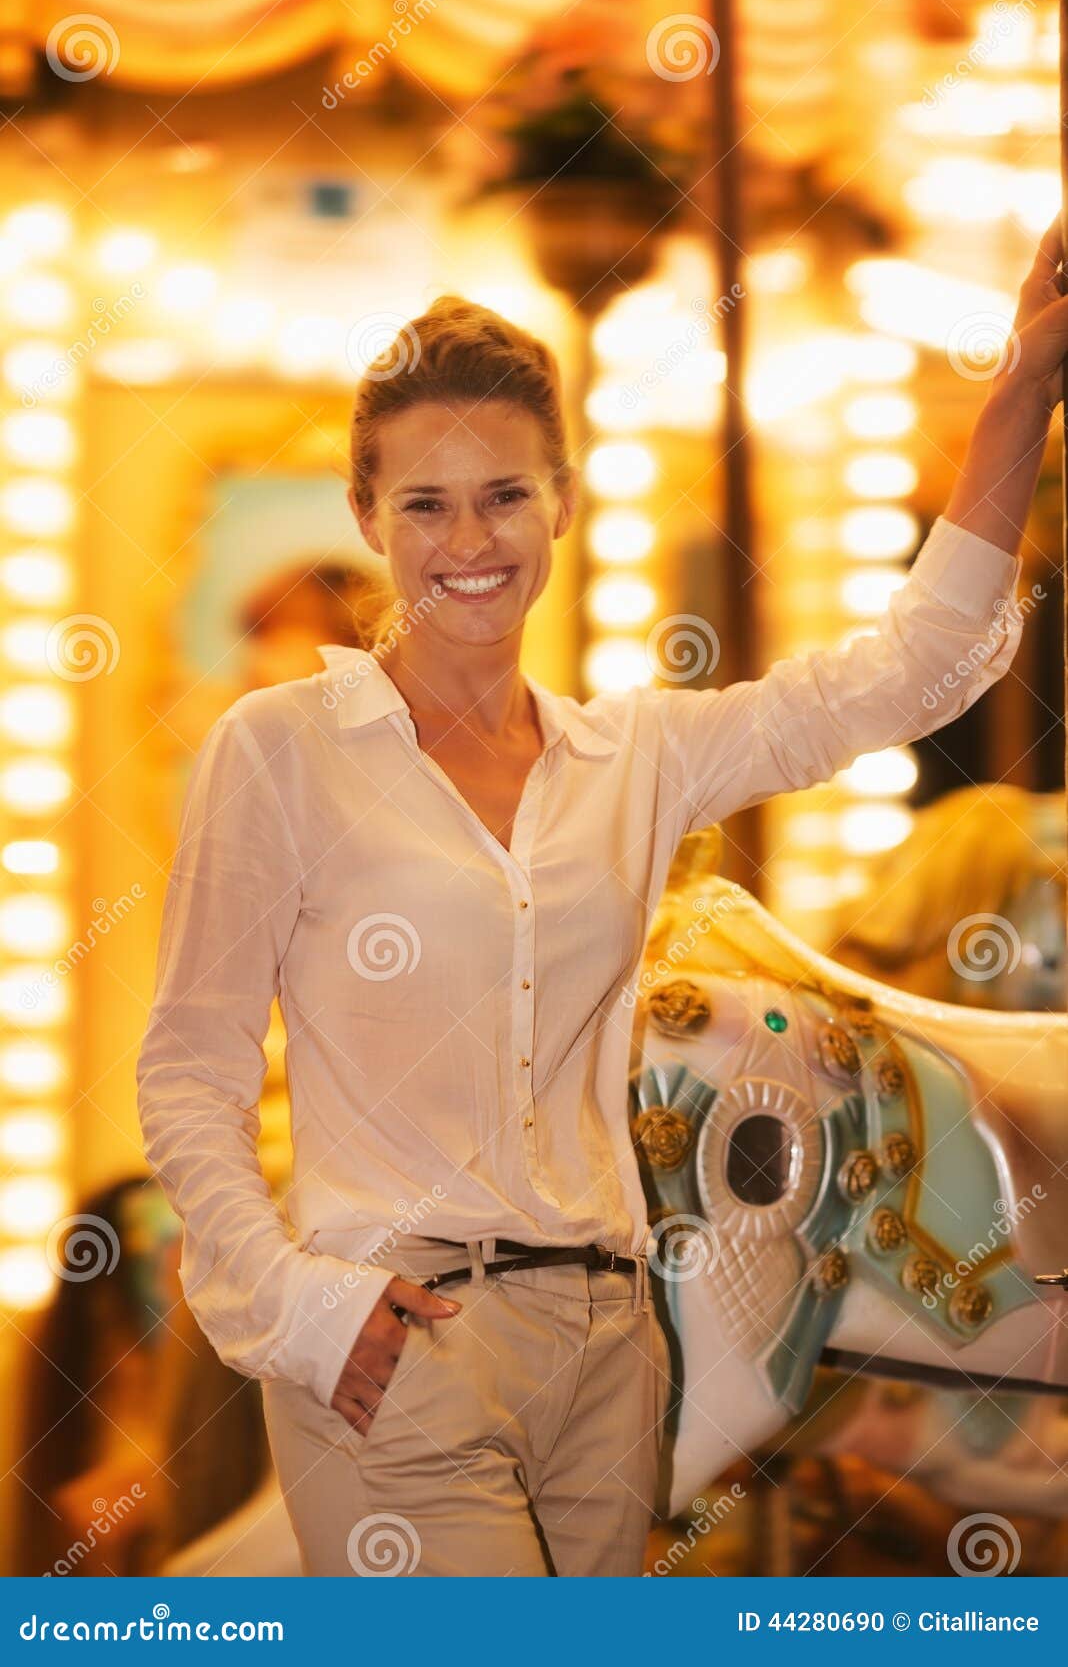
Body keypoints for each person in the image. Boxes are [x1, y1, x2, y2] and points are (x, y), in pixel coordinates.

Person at [135, 223, 1068, 1577]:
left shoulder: (632, 756)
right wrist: (297, 1306)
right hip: (403, 1336)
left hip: (613, 1348)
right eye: (426, 504)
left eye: (505, 495)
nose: (470, 540)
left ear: (563, 502)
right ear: (367, 515)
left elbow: (912, 668)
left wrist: (1023, 384)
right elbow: (189, 1064)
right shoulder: (284, 748)